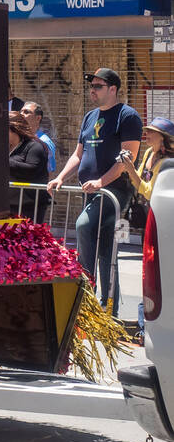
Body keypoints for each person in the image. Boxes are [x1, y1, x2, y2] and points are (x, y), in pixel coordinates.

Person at [47, 68, 143, 310]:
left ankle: (87, 297)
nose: (92, 90)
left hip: (114, 192)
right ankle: (106, 307)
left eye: (98, 86)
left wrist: (101, 182)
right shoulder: (90, 117)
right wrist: (60, 177)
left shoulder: (127, 116)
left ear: (113, 89)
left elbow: (127, 158)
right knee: (106, 250)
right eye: (91, 86)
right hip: (91, 193)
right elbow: (79, 155)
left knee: (83, 226)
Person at [118, 116, 174, 233]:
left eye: (152, 131)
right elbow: (137, 179)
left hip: (162, 217)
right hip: (148, 214)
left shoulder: (166, 162)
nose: (146, 133)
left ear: (163, 137)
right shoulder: (149, 152)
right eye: (147, 130)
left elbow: (150, 193)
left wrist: (131, 170)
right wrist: (127, 166)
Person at [9, 115, 51, 221]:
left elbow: (31, 170)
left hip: (30, 206)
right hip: (9, 204)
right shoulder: (4, 147)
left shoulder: (34, 146)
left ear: (15, 129)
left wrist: (3, 162)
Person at [20, 101, 57, 174]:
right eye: (21, 111)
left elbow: (49, 171)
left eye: (26, 112)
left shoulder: (44, 142)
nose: (21, 114)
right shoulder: (19, 138)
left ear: (38, 118)